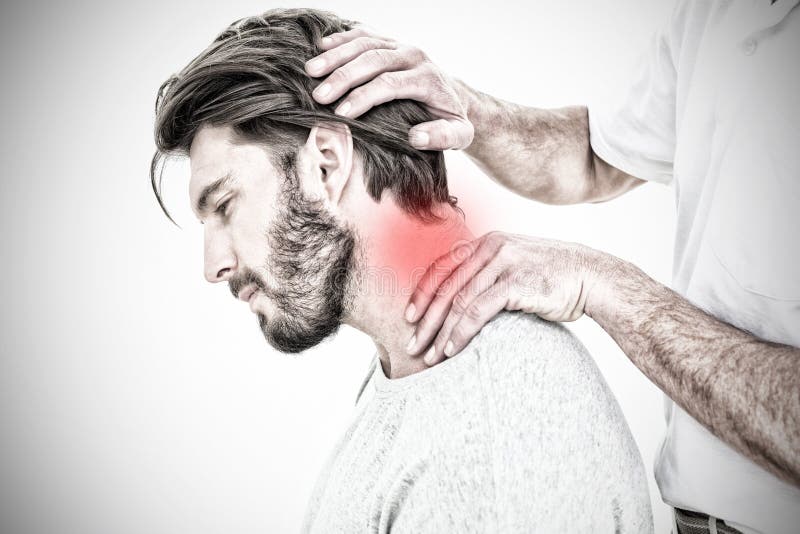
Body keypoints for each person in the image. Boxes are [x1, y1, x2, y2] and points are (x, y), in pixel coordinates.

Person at [303, 1, 800, 532]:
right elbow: (595, 156)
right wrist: (466, 107)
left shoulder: (499, 441)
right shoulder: (721, 12)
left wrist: (604, 284)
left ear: (328, 162)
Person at [151, 8, 653, 532]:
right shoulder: (411, 371)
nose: (215, 266)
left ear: (325, 162)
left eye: (226, 205)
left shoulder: (485, 441)